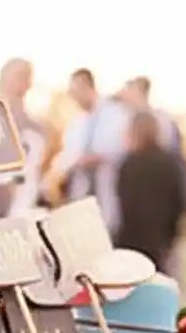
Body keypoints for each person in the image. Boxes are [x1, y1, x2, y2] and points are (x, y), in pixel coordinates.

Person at [45, 68, 132, 233]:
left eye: (76, 91)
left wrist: (92, 159)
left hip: (108, 192)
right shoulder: (77, 124)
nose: (74, 97)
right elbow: (68, 156)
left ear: (87, 86)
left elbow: (120, 150)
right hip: (82, 196)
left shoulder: (117, 115)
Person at [116, 111, 185, 271]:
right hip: (160, 240)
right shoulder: (170, 164)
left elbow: (124, 205)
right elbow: (179, 203)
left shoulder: (128, 165)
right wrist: (171, 236)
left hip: (132, 241)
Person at [0, 58, 49, 217]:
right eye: (16, 76)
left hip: (21, 210)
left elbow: (33, 175)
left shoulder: (36, 131)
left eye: (24, 76)